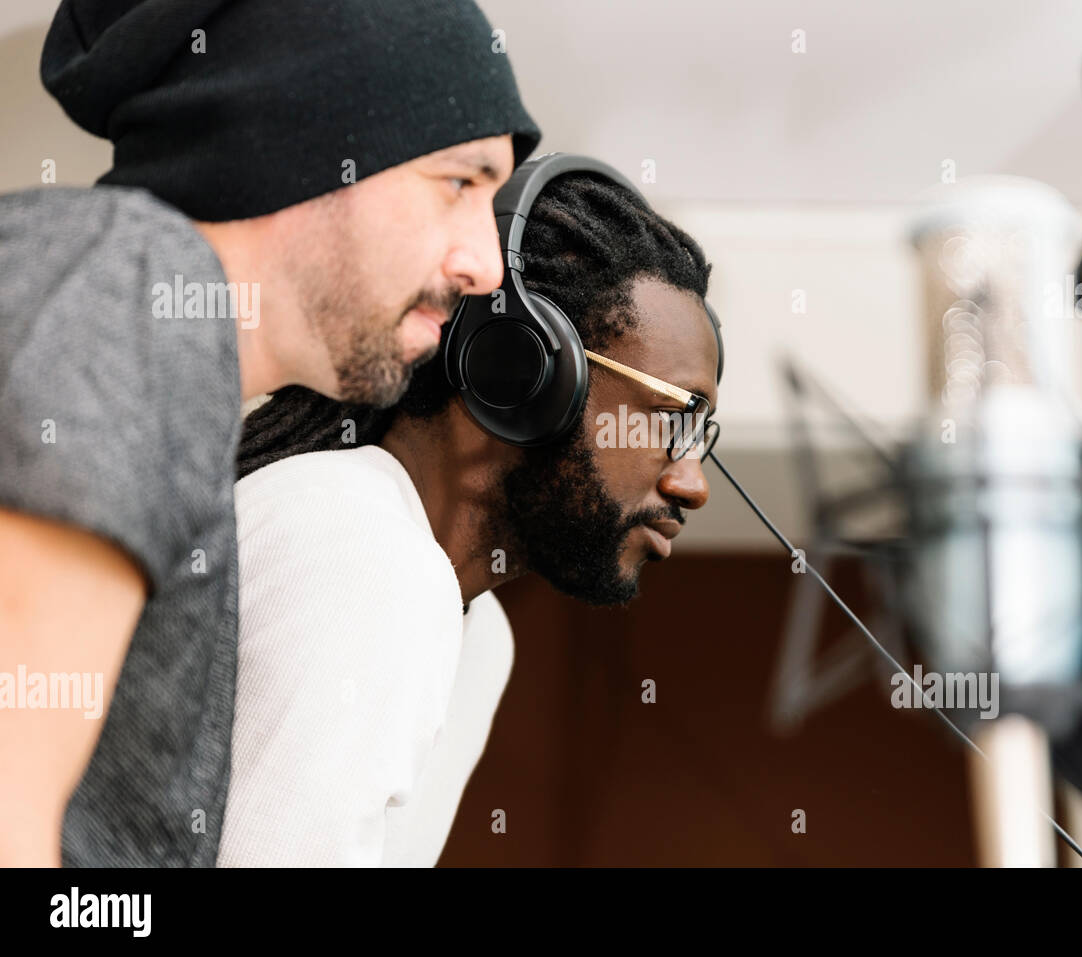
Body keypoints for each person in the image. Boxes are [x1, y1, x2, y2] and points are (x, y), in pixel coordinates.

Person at [0, 0, 540, 867]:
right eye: (458, 182)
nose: (485, 264)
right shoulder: (126, 283)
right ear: (301, 138)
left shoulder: (158, 337)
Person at [221, 164, 722, 865]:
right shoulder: (354, 546)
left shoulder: (478, 634)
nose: (692, 482)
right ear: (521, 372)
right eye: (675, 418)